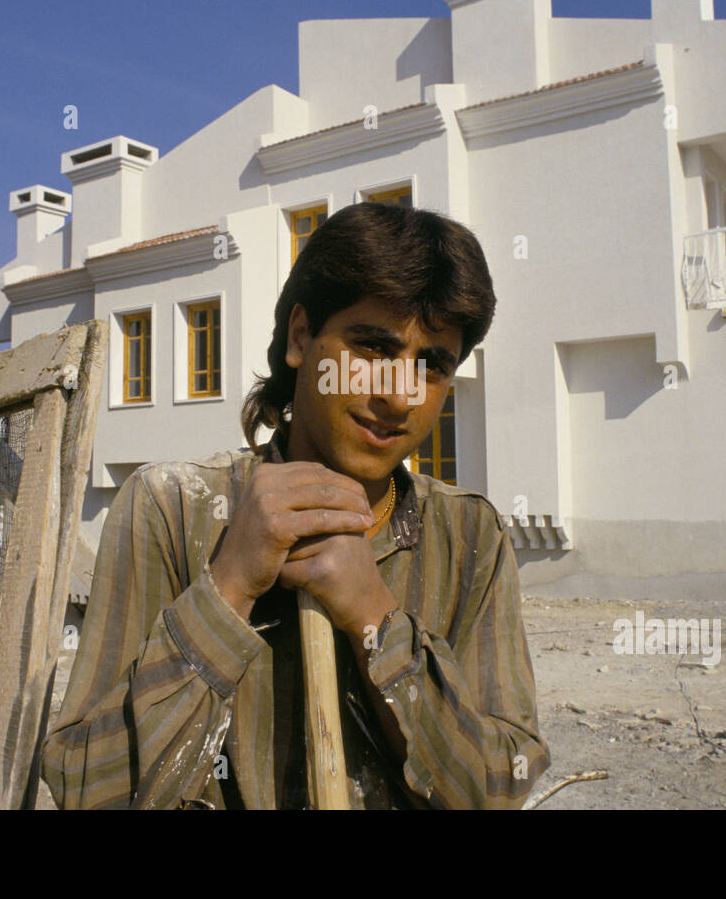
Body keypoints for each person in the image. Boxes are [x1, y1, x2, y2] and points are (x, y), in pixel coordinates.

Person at [41, 202, 550, 808]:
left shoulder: (470, 536)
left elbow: (500, 783)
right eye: (372, 349)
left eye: (432, 364)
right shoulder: (172, 509)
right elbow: (84, 788)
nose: (399, 396)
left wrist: (375, 618)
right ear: (301, 336)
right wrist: (227, 589)